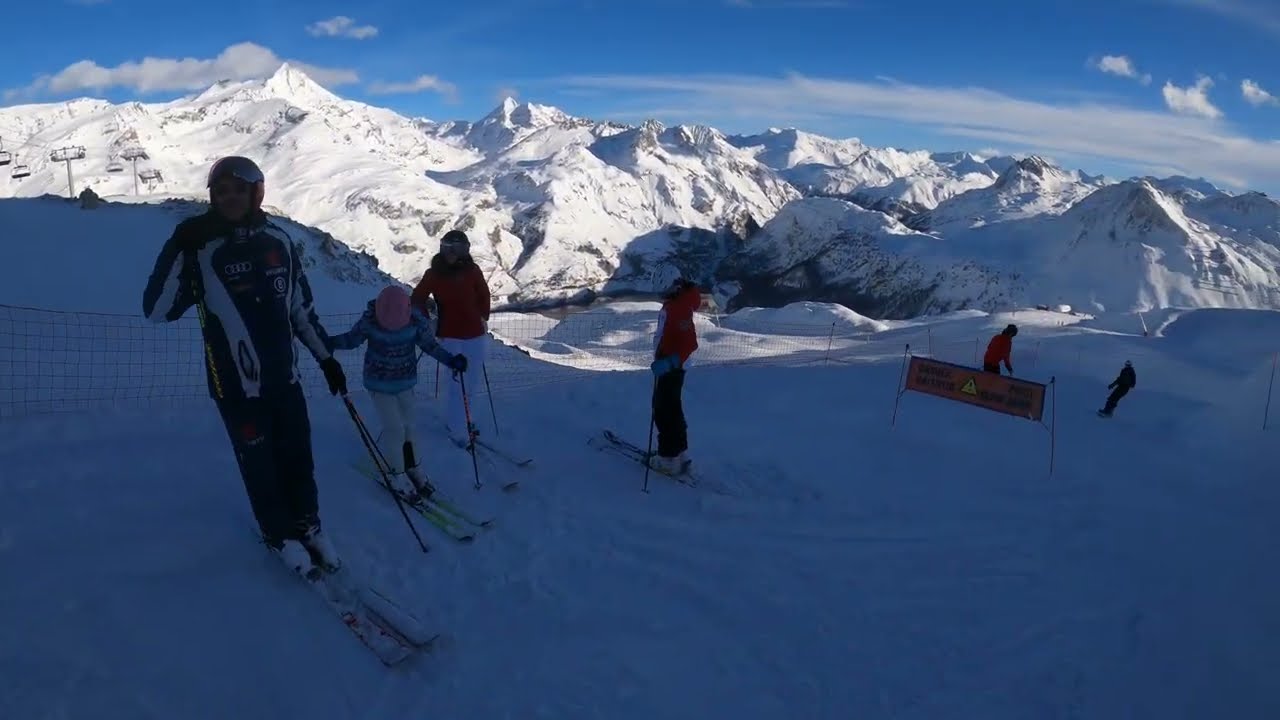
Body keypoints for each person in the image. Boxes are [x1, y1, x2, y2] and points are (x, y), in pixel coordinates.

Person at [141, 155, 349, 579]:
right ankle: (279, 535)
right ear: (212, 197)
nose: (230, 198)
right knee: (260, 465)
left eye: (239, 189)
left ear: (257, 193)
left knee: (298, 459)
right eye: (221, 191)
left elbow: (300, 311)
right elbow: (158, 310)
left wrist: (327, 360)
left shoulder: (280, 242)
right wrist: (179, 247)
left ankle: (308, 526)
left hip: (284, 380)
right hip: (234, 386)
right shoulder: (200, 246)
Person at [330, 285, 468, 501]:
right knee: (394, 428)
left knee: (409, 426)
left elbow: (430, 346)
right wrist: (326, 342)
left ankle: (412, 466)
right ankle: (396, 473)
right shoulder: (371, 320)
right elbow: (352, 340)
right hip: (378, 384)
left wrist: (451, 360)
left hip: (405, 383)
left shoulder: (415, 321)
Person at [409, 230, 492, 447]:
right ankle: (457, 430)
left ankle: (466, 419)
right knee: (458, 384)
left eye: (459, 249)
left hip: (474, 334)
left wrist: (483, 317)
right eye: (450, 248)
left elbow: (484, 295)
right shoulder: (434, 274)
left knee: (471, 383)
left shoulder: (472, 271)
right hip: (451, 335)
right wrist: (428, 319)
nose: (454, 253)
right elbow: (417, 299)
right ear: (444, 249)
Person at [649, 277, 701, 474]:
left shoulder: (677, 308)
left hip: (671, 366)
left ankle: (668, 458)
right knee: (672, 408)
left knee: (663, 410)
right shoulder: (679, 303)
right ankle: (680, 453)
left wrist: (669, 362)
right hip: (671, 364)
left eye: (664, 289)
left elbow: (690, 343)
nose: (661, 293)